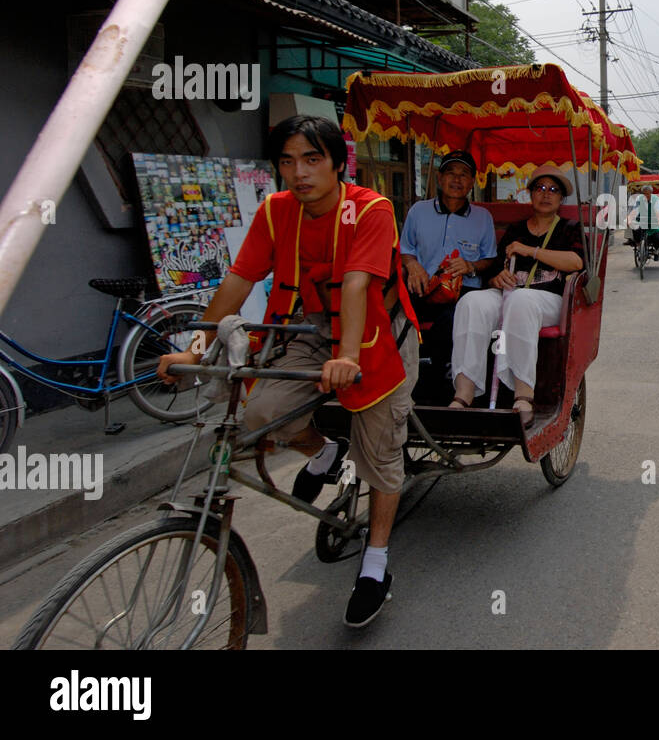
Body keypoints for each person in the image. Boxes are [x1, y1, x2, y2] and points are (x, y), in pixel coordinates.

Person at [157, 115, 419, 629]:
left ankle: (375, 563)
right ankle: (322, 450)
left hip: (370, 336)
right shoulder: (276, 212)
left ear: (338, 164)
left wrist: (344, 357)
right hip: (305, 330)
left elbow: (356, 285)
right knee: (260, 412)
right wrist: (194, 349)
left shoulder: (371, 208)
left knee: (381, 454)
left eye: (312, 159)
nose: (299, 173)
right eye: (287, 162)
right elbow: (237, 280)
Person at [448, 167, 583, 426]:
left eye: (553, 190)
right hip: (509, 294)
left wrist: (530, 251)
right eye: (539, 188)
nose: (546, 194)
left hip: (549, 301)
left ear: (561, 199)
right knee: (471, 302)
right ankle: (464, 392)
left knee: (522, 301)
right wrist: (497, 278)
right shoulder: (516, 229)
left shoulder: (569, 228)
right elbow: (496, 270)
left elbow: (576, 261)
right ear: (530, 194)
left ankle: (523, 394)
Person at [399, 150, 497, 391]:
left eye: (464, 174)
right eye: (451, 173)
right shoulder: (418, 211)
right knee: (392, 311)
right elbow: (406, 248)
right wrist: (412, 265)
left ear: (473, 182)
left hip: (464, 290)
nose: (457, 179)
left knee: (453, 319)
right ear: (440, 178)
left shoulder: (483, 218)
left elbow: (490, 259)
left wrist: (470, 266)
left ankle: (436, 376)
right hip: (423, 284)